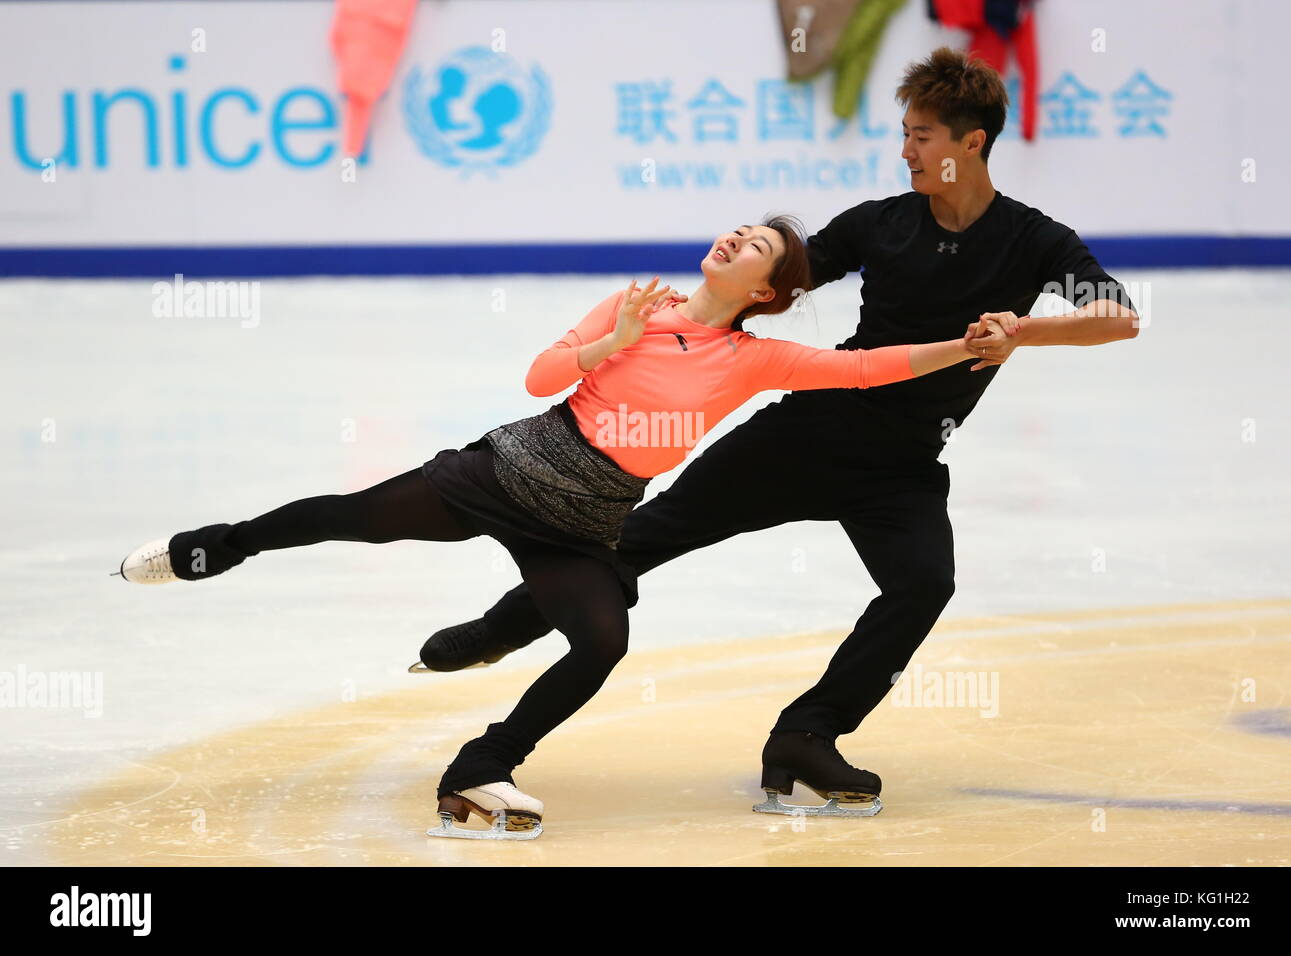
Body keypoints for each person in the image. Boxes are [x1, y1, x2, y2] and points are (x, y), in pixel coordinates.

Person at [418, 46, 1143, 818]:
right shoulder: (880, 223)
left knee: (923, 584)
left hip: (901, 465)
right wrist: (682, 332)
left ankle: (807, 733)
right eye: (904, 133)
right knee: (640, 538)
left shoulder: (1032, 240)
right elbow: (776, 279)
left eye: (922, 136)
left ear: (973, 143)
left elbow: (1120, 318)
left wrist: (1022, 331)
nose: (906, 151)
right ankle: (500, 627)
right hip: (806, 433)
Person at [115, 213, 1003, 839]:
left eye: (756, 247)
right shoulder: (638, 306)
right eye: (738, 229)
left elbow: (869, 369)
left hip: (582, 524)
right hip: (504, 473)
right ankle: (212, 548)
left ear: (766, 290)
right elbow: (543, 378)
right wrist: (608, 342)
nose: (734, 239)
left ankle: (478, 770)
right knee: (351, 519)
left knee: (599, 642)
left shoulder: (755, 359)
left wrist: (967, 346)